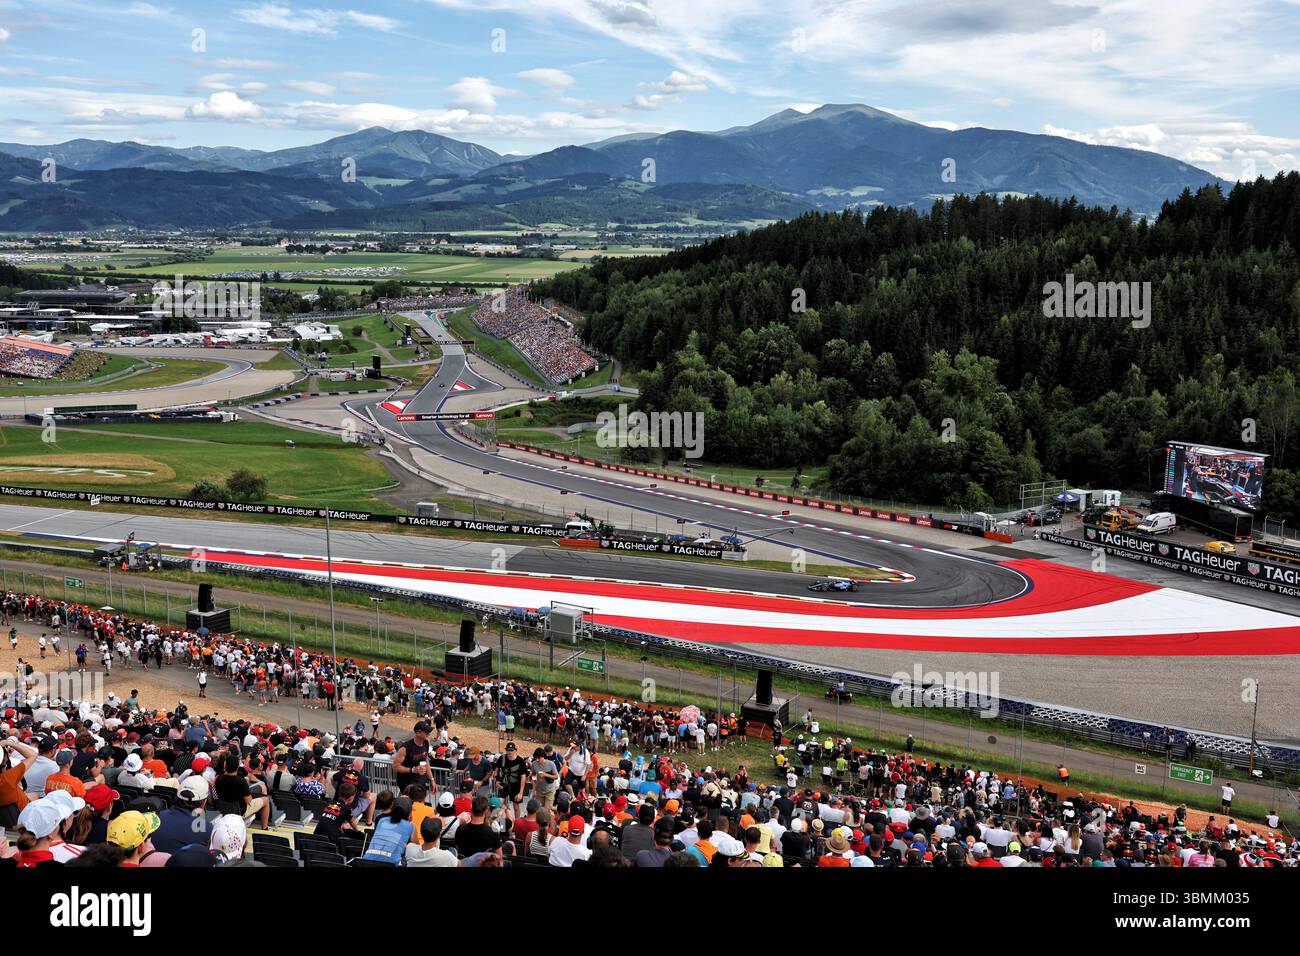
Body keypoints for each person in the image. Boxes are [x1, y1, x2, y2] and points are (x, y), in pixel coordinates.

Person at [363, 797, 414, 865]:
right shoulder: (409, 826)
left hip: (366, 861)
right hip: (391, 864)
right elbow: (415, 849)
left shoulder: (382, 820)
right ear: (409, 813)